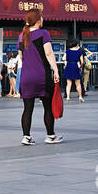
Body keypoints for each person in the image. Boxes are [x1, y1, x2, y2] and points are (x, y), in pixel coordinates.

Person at [17, 9, 62, 146]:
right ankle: (50, 135)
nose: (43, 19)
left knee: (27, 109)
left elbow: (21, 56)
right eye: (41, 17)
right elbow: (49, 53)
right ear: (37, 20)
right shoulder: (43, 34)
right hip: (42, 76)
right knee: (47, 107)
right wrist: (55, 70)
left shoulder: (21, 36)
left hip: (26, 77)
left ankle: (26, 137)